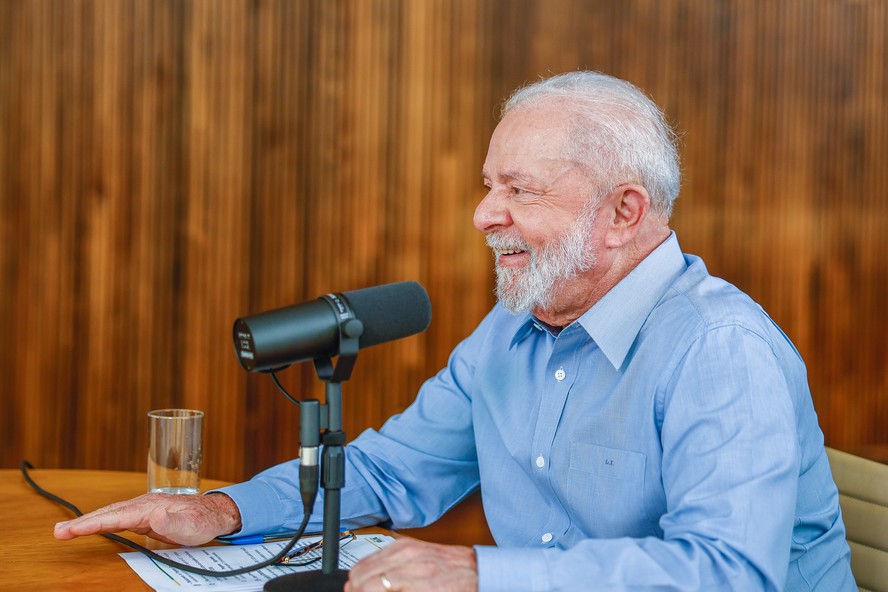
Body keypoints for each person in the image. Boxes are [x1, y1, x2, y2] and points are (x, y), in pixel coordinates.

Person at [54, 71, 855, 591]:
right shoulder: (511, 328)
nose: (484, 214)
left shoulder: (721, 348)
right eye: (487, 185)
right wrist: (224, 511)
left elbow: (728, 575)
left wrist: (478, 573)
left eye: (520, 189)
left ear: (623, 214)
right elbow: (393, 473)